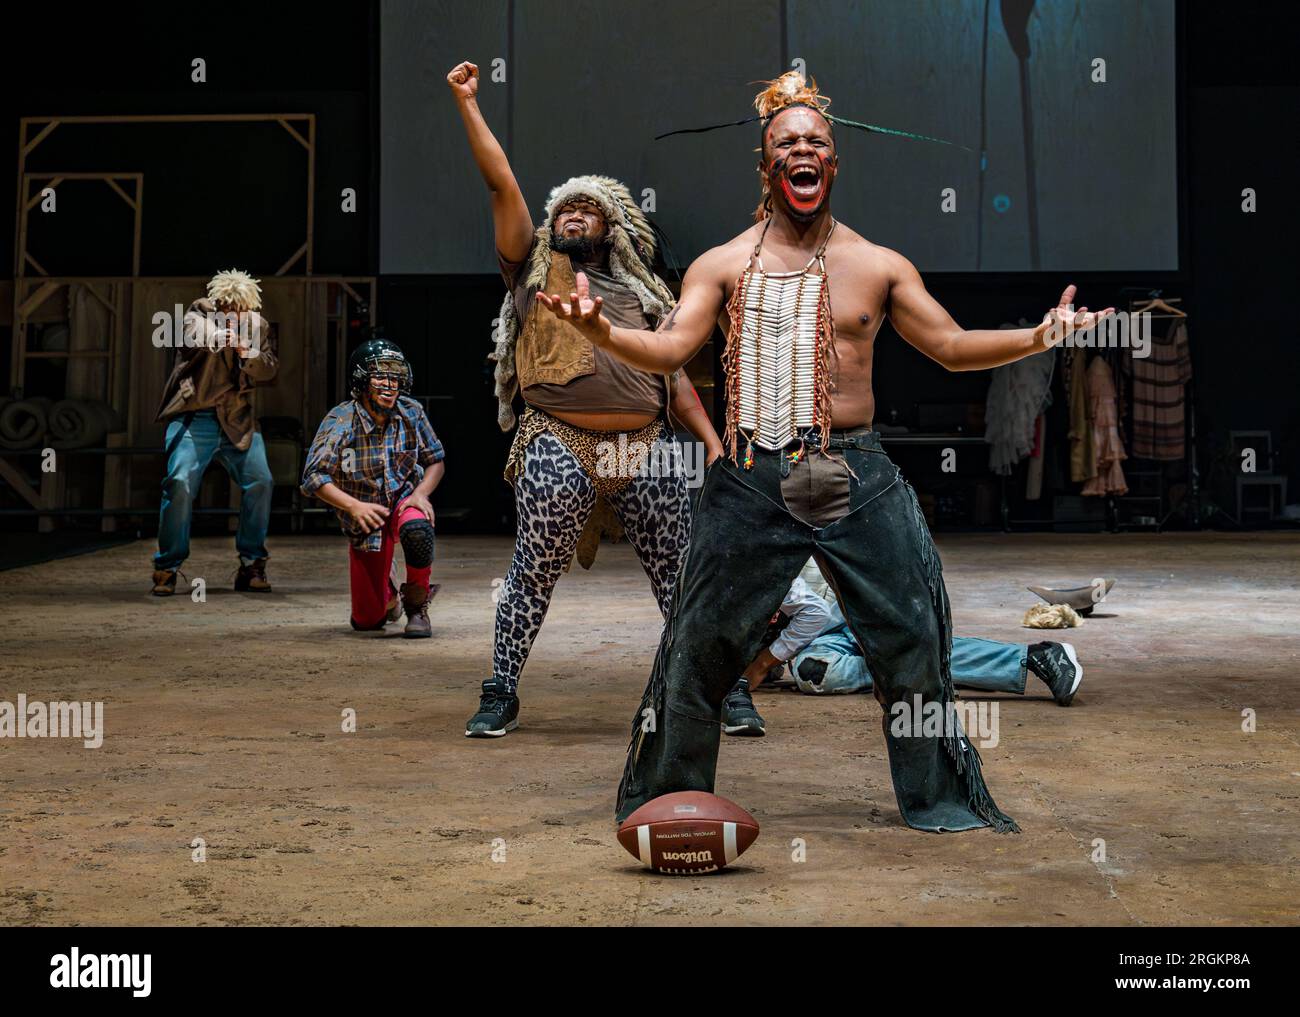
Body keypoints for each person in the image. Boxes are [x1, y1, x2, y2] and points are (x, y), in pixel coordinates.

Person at [539, 72, 1112, 833]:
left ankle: (938, 796)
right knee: (699, 642)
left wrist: (1039, 337)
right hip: (750, 476)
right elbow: (672, 345)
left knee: (910, 632)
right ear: (765, 163)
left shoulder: (878, 263)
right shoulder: (721, 263)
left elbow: (949, 345)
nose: (802, 151)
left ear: (833, 164)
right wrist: (603, 333)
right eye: (787, 143)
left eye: (816, 143)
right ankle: (667, 799)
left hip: (853, 470)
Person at [446, 60, 724, 736]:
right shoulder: (532, 268)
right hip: (557, 437)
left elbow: (676, 378)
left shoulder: (648, 295)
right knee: (533, 565)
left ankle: (716, 691)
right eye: (563, 209)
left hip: (646, 443)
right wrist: (467, 105)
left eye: (587, 209)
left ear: (614, 227)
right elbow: (501, 183)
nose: (572, 214)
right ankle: (501, 688)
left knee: (681, 572)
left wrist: (714, 446)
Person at [720, 562, 1084, 737]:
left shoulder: (750, 570)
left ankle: (1039, 658)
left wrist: (763, 664)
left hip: (857, 610)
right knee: (817, 670)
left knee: (818, 668)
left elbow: (812, 613)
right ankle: (900, 660)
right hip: (824, 635)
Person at [301, 340, 444, 637]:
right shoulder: (341, 420)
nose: (390, 385)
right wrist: (353, 506)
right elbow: (314, 477)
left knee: (418, 530)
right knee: (368, 621)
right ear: (362, 380)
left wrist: (420, 494)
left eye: (395, 377)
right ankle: (389, 593)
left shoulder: (411, 412)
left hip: (403, 500)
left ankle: (417, 606)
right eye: (380, 377)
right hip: (365, 517)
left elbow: (435, 461)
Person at [151, 268, 276, 596]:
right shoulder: (199, 313)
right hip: (196, 416)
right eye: (226, 308)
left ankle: (252, 563)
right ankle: (167, 565)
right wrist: (221, 337)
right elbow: (194, 334)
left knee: (261, 480)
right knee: (178, 482)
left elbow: (269, 366)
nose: (233, 314)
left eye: (240, 310)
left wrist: (246, 352)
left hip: (237, 419)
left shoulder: (258, 327)